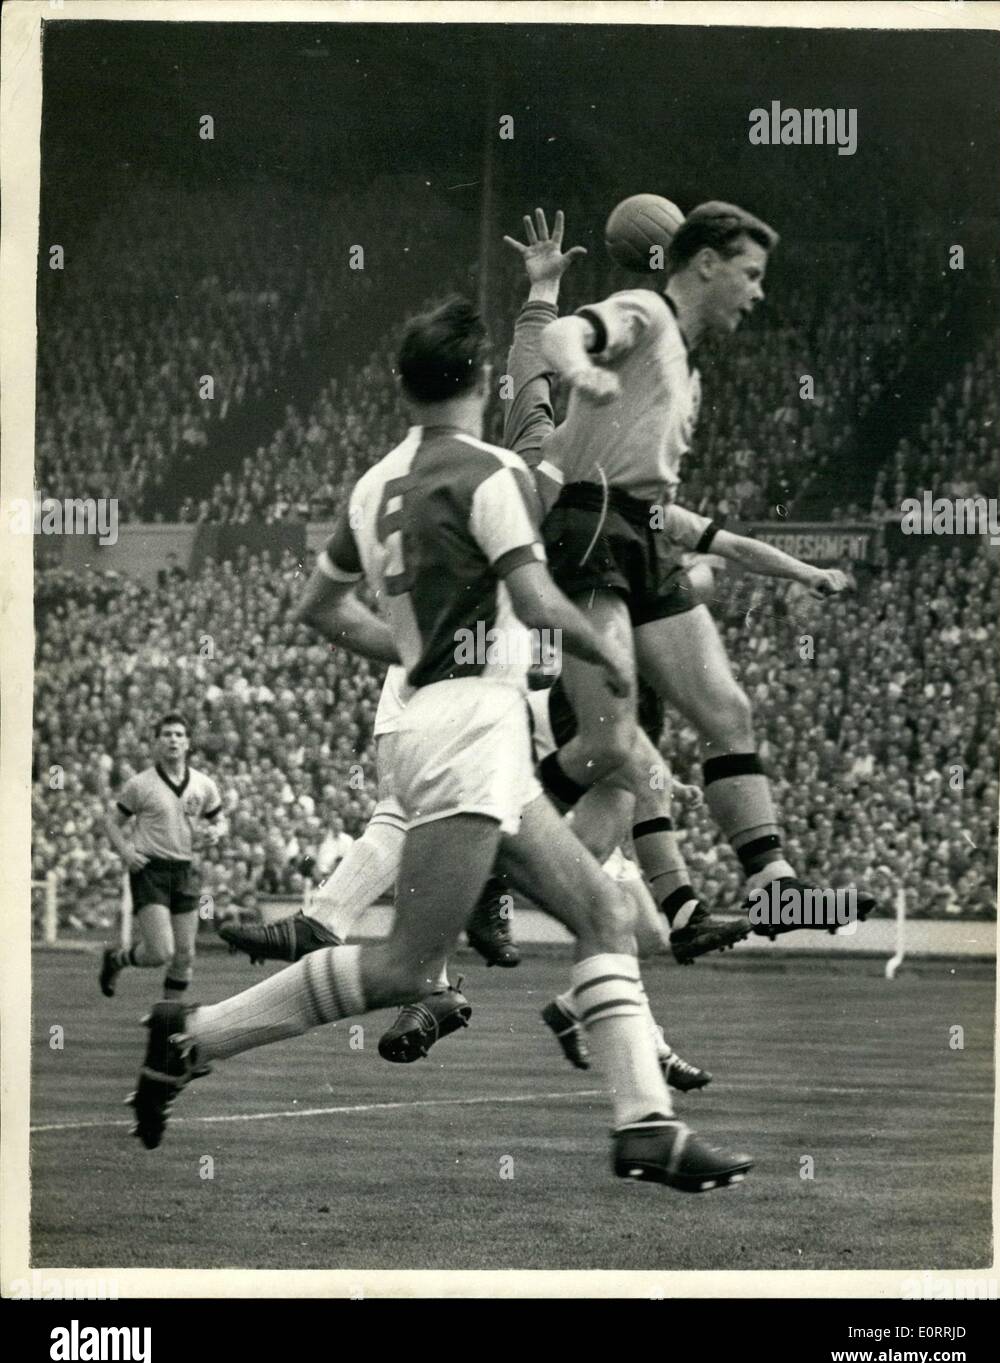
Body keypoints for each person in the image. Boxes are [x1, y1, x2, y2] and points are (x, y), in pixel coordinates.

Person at [128, 293, 752, 1193]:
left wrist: (412, 646)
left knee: (603, 915)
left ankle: (646, 1126)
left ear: (406, 383)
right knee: (405, 967)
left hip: (442, 728)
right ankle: (191, 1039)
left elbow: (319, 610)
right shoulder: (491, 471)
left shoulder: (371, 483)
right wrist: (603, 652)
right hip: (470, 732)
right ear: (476, 382)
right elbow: (538, 598)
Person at [528, 202, 874, 949]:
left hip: (643, 532)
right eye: (749, 274)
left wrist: (795, 570)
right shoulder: (646, 313)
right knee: (609, 737)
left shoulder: (686, 369)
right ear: (706, 263)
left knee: (728, 711)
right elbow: (563, 335)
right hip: (591, 527)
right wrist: (581, 367)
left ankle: (775, 889)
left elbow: (655, 497)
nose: (757, 292)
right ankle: (501, 850)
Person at [99, 713, 223, 1000]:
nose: (173, 740)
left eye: (179, 734)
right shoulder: (140, 784)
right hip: (150, 870)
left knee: (185, 954)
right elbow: (111, 822)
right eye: (167, 734)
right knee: (160, 953)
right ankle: (116, 960)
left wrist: (216, 832)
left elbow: (220, 820)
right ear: (156, 742)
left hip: (184, 870)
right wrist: (127, 852)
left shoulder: (203, 784)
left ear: (188, 743)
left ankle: (169, 1024)